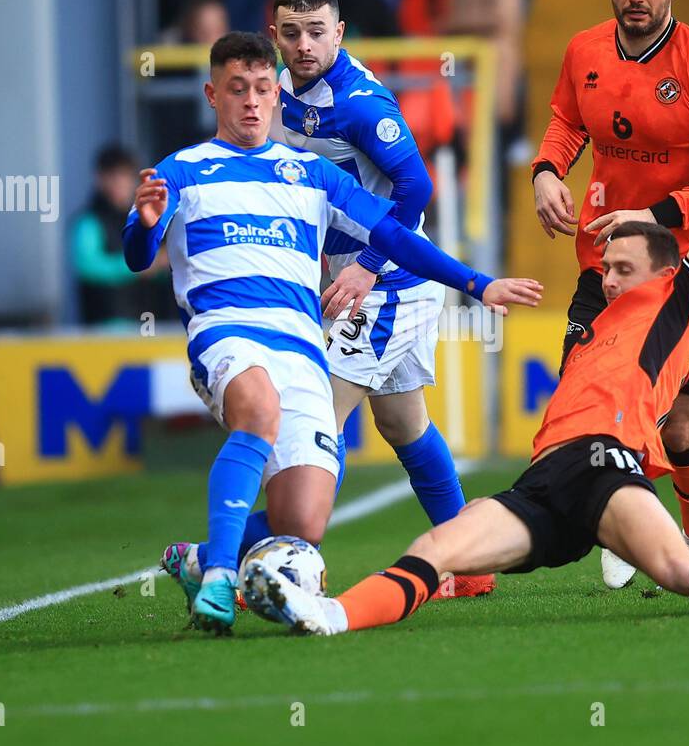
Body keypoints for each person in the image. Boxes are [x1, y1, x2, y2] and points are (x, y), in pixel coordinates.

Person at [242, 76, 689, 637]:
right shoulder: (596, 323)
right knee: (437, 547)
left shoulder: (682, 302)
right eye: (606, 267)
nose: (609, 279)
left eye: (623, 268)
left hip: (605, 464)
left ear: (667, 272)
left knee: (686, 575)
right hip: (543, 480)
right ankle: (330, 614)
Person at [123, 32, 542, 632]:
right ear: (213, 94)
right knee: (260, 412)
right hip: (227, 334)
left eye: (262, 89)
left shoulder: (311, 174)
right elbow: (138, 255)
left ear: (276, 95)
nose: (251, 101)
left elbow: (395, 236)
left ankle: (199, 559)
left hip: (300, 346)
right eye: (237, 89)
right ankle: (219, 575)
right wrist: (142, 227)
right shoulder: (181, 170)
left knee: (303, 525)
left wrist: (477, 284)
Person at [530, 0, 689, 589]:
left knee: (684, 424)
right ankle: (627, 515)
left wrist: (656, 215)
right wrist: (547, 169)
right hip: (605, 266)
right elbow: (568, 121)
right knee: (592, 401)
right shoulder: (583, 51)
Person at [261, 0, 493, 599]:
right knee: (403, 423)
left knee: (314, 419)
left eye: (317, 32)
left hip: (389, 283)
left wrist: (363, 265)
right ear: (274, 35)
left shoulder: (362, 104)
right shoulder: (281, 89)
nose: (304, 44)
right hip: (366, 282)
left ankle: (242, 554)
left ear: (340, 32)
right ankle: (470, 562)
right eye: (291, 33)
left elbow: (417, 189)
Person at [71, 145, 171, 326]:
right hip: (106, 328)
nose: (120, 184)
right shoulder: (89, 221)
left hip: (152, 324)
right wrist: (139, 267)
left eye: (125, 176)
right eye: (113, 177)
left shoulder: (145, 217)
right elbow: (88, 266)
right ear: (100, 179)